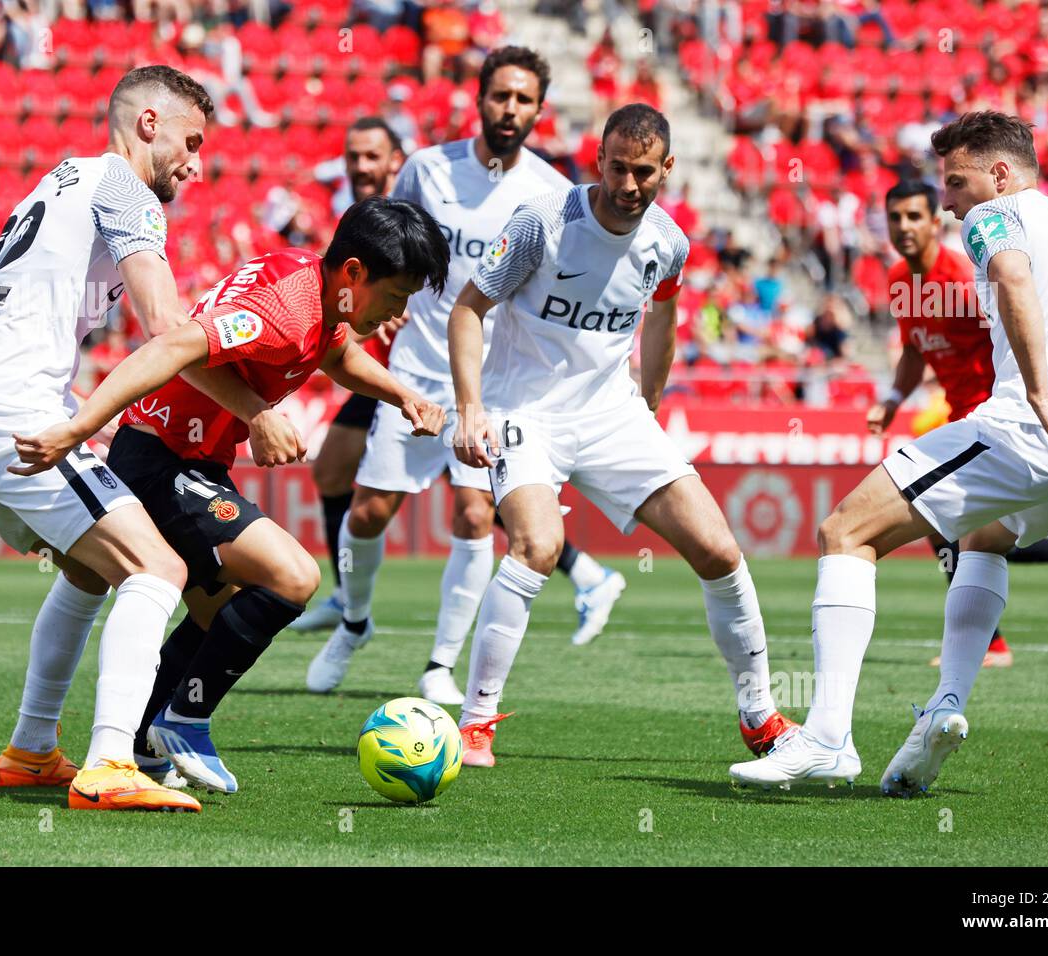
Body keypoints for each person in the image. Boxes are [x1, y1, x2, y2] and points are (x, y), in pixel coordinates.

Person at [731, 111, 1048, 796]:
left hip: (1029, 429)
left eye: (956, 182)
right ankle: (943, 709)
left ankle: (828, 738)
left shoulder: (996, 217)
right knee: (984, 539)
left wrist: (1039, 394)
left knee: (846, 532)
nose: (950, 202)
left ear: (1001, 174)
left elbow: (1010, 280)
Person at [0, 66, 296, 813]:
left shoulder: (60, 179)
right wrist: (256, 410)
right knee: (158, 567)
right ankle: (109, 763)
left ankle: (33, 750)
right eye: (191, 143)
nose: (197, 165)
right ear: (149, 124)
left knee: (88, 570)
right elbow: (168, 329)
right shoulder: (125, 189)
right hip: (17, 407)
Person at [448, 103, 796, 767]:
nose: (628, 185)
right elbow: (468, 311)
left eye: (644, 172)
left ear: (667, 169)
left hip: (613, 415)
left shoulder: (668, 241)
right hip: (526, 412)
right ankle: (475, 725)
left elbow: (664, 315)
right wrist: (471, 408)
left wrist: (652, 400)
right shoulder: (541, 224)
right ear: (596, 162)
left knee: (720, 551)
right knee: (537, 545)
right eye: (617, 169)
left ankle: (762, 721)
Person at [92, 198, 449, 792]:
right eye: (395, 296)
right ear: (355, 273)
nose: (397, 312)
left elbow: (336, 354)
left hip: (192, 459)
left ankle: (142, 742)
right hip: (159, 457)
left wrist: (402, 396)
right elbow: (179, 349)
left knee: (217, 614)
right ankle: (187, 719)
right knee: (293, 577)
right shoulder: (282, 309)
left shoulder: (316, 285)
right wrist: (257, 413)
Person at [305, 47, 627, 706]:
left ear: (539, 109)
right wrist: (368, 317)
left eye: (523, 99)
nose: (510, 109)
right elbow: (384, 242)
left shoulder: (549, 192)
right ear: (479, 100)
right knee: (366, 514)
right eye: (499, 96)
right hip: (418, 368)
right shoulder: (428, 169)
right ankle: (355, 622)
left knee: (477, 513)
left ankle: (439, 666)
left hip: (492, 386)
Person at [871, 179, 1048, 670]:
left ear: (934, 220)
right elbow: (912, 345)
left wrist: (1033, 394)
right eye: (895, 217)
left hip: (997, 413)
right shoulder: (900, 280)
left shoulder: (964, 276)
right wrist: (892, 398)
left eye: (914, 216)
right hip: (960, 414)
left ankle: (994, 639)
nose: (903, 227)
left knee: (945, 523)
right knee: (962, 530)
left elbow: (1017, 326)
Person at [292, 117, 409, 632]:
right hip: (380, 371)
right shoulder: (357, 221)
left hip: (428, 373)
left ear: (395, 161)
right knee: (333, 468)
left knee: (475, 500)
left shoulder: (416, 214)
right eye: (353, 156)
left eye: (372, 156)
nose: (361, 166)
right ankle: (346, 601)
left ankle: (576, 567)